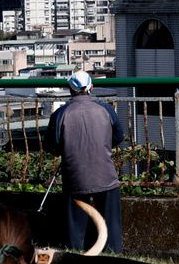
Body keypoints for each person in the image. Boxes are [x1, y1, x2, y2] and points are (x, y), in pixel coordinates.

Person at [49, 71, 125, 252]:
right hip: (105, 175)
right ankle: (113, 254)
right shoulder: (106, 110)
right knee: (110, 225)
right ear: (91, 88)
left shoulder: (61, 114)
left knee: (75, 229)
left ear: (70, 90)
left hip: (75, 177)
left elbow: (53, 147)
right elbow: (119, 137)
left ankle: (75, 254)